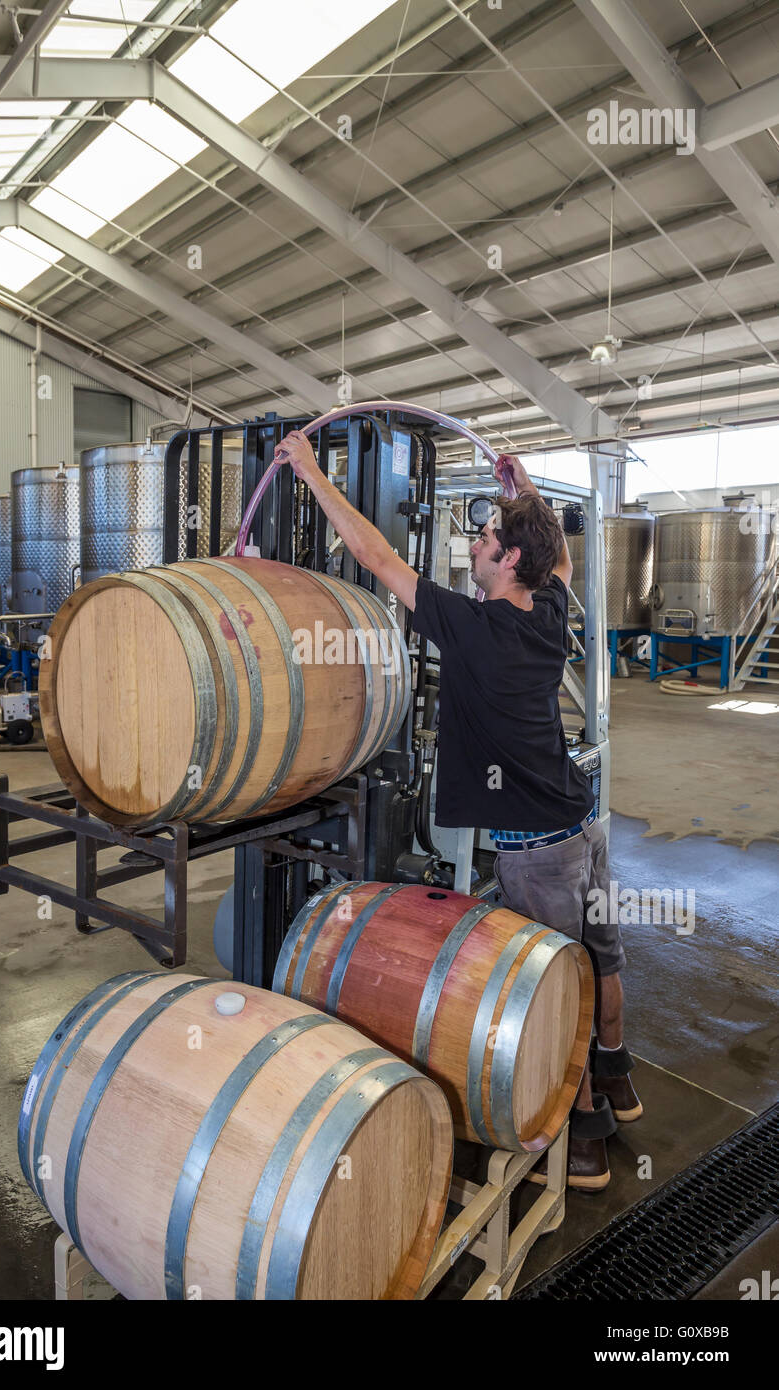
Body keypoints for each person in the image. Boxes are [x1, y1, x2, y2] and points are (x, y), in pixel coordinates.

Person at [274, 431, 641, 1189]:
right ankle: (620, 1084)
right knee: (601, 960)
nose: (473, 543)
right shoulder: (546, 609)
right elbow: (559, 557)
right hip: (584, 821)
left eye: (484, 536)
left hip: (536, 844)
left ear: (509, 560)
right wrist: (526, 490)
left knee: (556, 989)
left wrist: (310, 471)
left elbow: (376, 558)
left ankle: (581, 1144)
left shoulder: (472, 630)